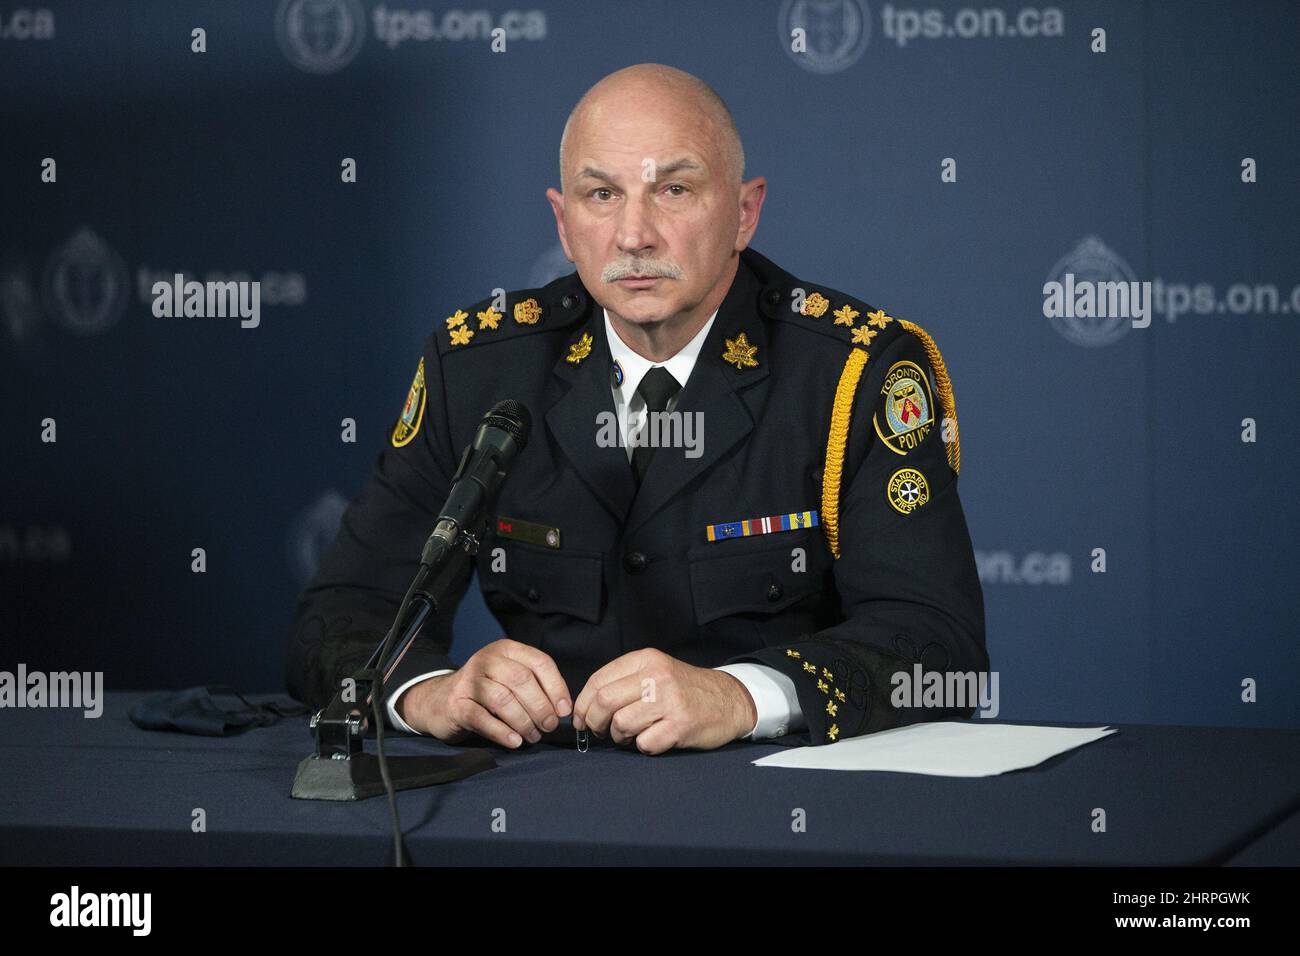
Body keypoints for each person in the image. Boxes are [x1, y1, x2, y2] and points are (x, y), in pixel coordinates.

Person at [286, 63, 987, 754]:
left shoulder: (853, 372)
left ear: (745, 212)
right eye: (601, 195)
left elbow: (941, 651)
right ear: (564, 224)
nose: (634, 235)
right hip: (538, 804)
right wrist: (428, 691)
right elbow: (340, 616)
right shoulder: (479, 368)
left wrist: (744, 697)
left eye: (673, 189)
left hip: (776, 799)